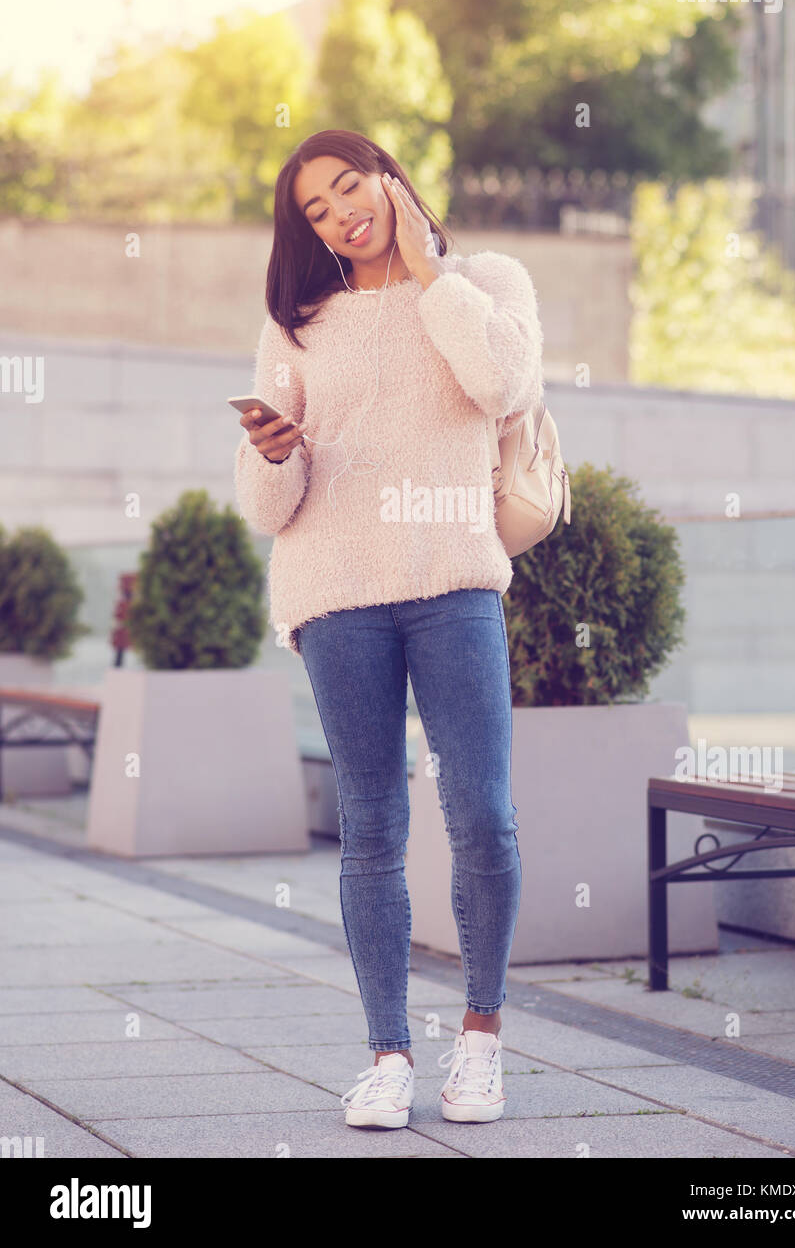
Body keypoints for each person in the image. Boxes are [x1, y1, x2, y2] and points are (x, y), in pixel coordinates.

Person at [234, 129, 544, 1130]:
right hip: (336, 589)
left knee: (483, 813)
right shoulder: (300, 322)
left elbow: (502, 385)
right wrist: (276, 452)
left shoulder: (487, 279)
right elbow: (265, 504)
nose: (338, 215)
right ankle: (388, 1053)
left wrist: (426, 272)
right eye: (315, 211)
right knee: (371, 825)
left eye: (346, 188)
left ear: (387, 175)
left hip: (452, 579)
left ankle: (483, 1042)